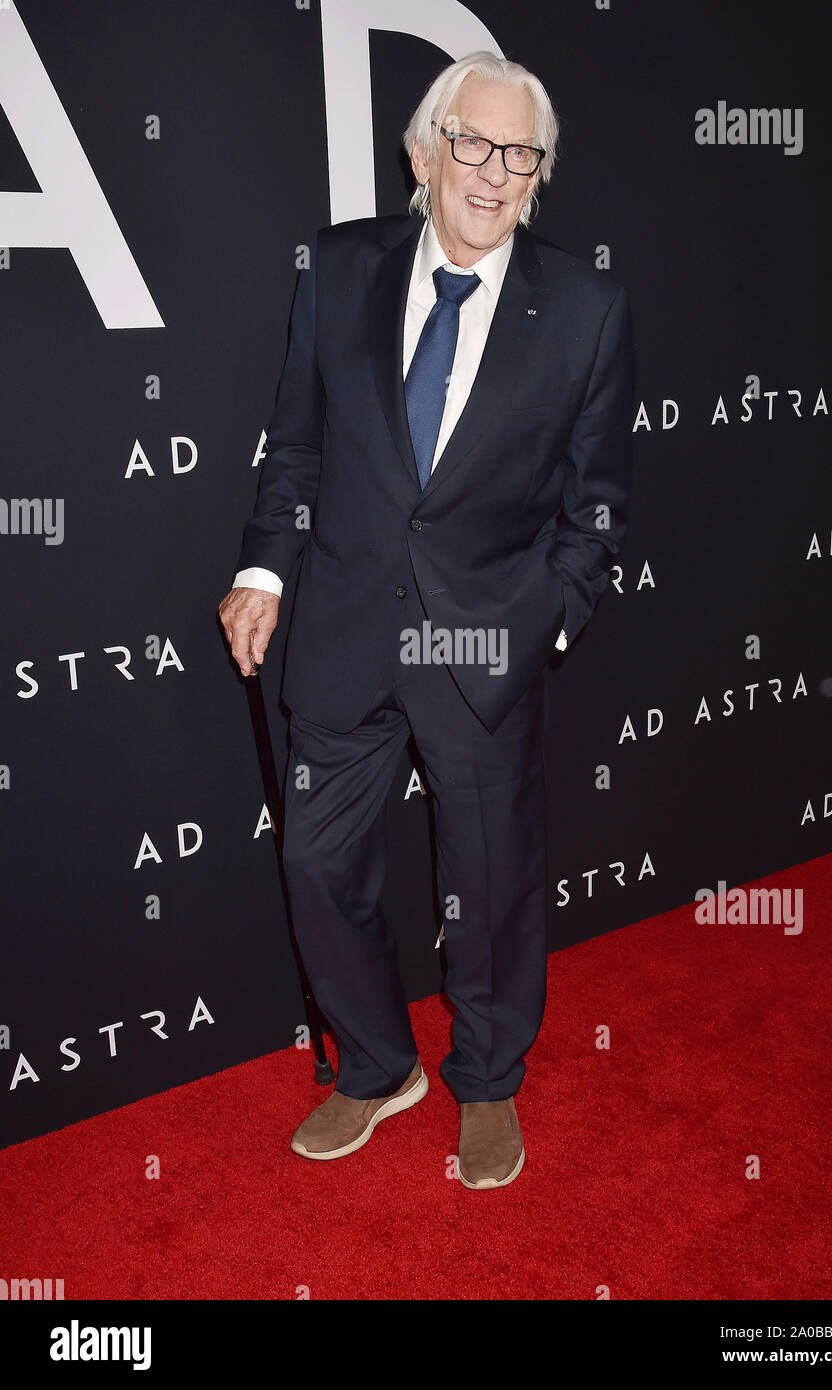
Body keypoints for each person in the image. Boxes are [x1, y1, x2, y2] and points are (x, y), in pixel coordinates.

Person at [218, 51, 635, 1190]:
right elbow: (294, 438)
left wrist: (550, 613)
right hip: (348, 623)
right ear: (424, 152)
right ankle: (376, 1062)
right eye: (474, 144)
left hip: (484, 641)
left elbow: (597, 501)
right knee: (314, 860)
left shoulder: (586, 309)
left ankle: (487, 1081)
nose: (495, 175)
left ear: (538, 173)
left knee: (491, 880)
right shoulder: (340, 268)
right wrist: (263, 572)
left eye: (521, 154)